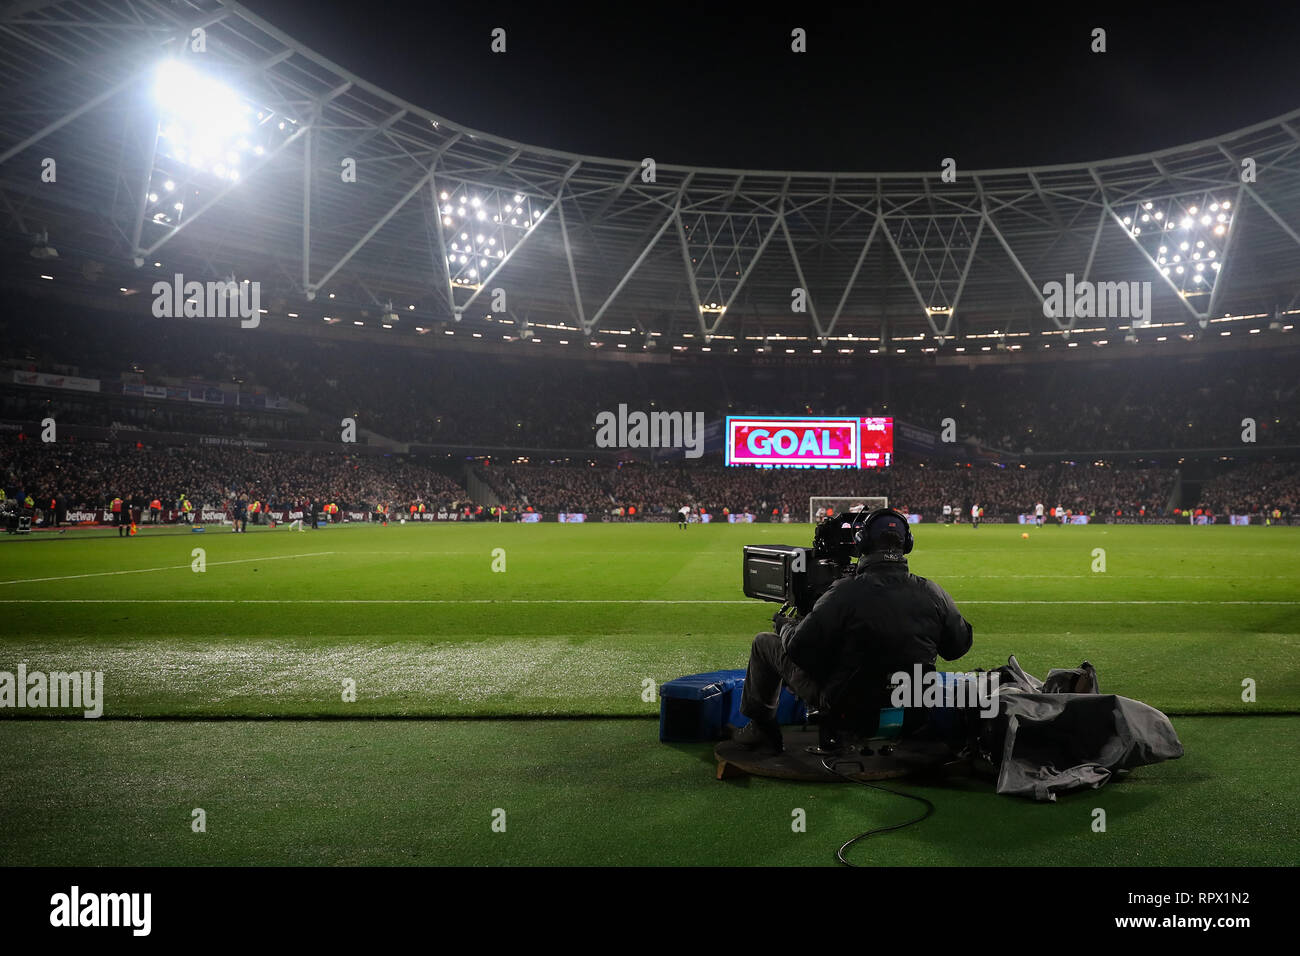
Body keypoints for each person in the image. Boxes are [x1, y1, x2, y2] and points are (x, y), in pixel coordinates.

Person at [733, 508, 973, 753]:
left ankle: (761, 731)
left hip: (849, 713)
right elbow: (958, 647)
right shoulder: (933, 592)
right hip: (913, 711)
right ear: (907, 544)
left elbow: (799, 650)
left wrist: (785, 626)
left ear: (863, 543)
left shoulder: (844, 593)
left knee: (764, 642)